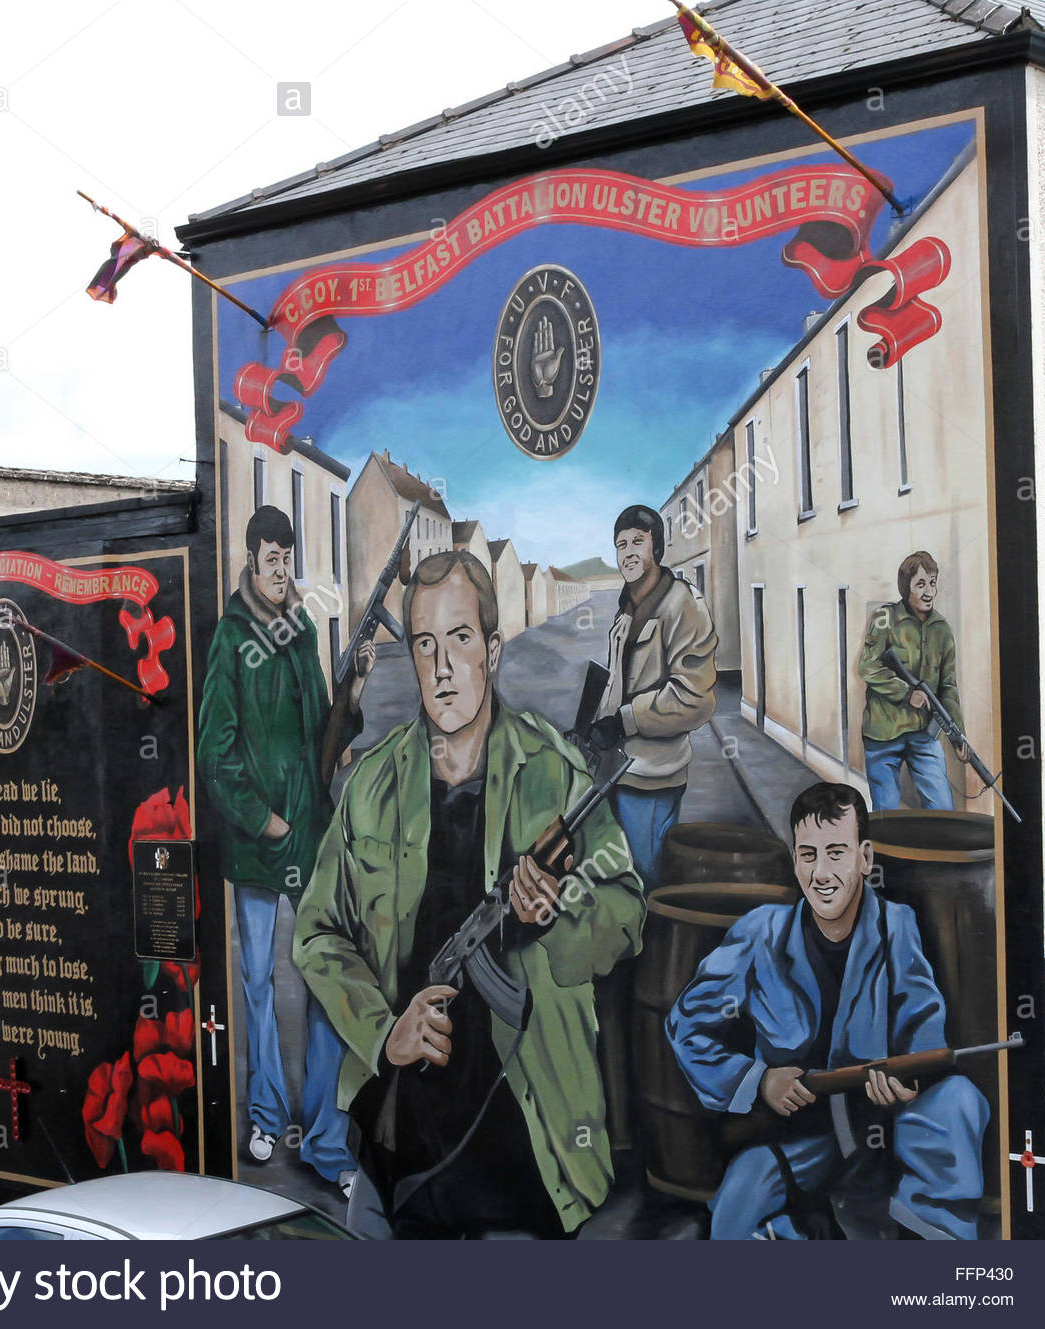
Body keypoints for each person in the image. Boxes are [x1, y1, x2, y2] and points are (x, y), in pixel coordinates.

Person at [293, 549, 646, 1238]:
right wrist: (382, 1030)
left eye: (459, 639)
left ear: (492, 650)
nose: (442, 666)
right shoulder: (372, 785)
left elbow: (626, 911)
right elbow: (315, 931)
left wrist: (557, 913)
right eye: (424, 644)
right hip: (399, 1142)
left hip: (527, 1143)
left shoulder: (558, 772)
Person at [666, 781, 988, 1240]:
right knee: (735, 1215)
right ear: (795, 860)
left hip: (883, 1130)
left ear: (865, 857)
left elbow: (923, 1024)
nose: (821, 872)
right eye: (808, 854)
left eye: (836, 852)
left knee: (958, 1100)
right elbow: (686, 1024)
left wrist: (907, 1082)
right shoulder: (761, 934)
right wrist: (757, 1081)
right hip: (798, 1138)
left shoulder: (896, 927)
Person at [197, 505, 374, 1196]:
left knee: (326, 974)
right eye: (270, 557)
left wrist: (353, 685)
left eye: (286, 557)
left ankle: (327, 1138)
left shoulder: (299, 629)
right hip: (258, 842)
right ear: (250, 559)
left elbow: (325, 727)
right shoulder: (230, 638)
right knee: (261, 984)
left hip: (311, 830)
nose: (280, 569)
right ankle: (268, 1113)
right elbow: (215, 748)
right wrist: (259, 817)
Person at [589, 503, 718, 889]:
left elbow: (695, 695)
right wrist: (591, 728)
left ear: (656, 548)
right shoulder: (625, 608)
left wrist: (625, 720)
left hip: (653, 777)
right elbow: (617, 682)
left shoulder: (683, 603)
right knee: (618, 882)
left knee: (645, 883)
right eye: (620, 544)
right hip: (615, 772)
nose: (627, 552)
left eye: (637, 542)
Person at [857, 550, 967, 811]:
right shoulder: (884, 618)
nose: (929, 591)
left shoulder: (942, 629)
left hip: (923, 734)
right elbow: (868, 667)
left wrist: (957, 737)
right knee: (886, 816)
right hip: (884, 732)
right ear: (906, 587)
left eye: (932, 582)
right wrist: (906, 694)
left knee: (942, 811)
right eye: (921, 584)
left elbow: (948, 687)